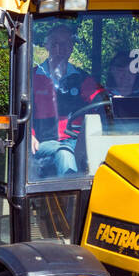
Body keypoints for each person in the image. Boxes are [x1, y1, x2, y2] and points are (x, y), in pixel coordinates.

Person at [30, 22, 107, 177]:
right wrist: (28, 135)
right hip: (45, 142)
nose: (59, 50)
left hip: (77, 141)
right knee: (64, 153)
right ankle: (70, 199)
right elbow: (20, 110)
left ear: (71, 47)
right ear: (47, 46)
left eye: (64, 45)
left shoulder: (82, 78)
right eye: (54, 44)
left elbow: (103, 103)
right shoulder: (31, 77)